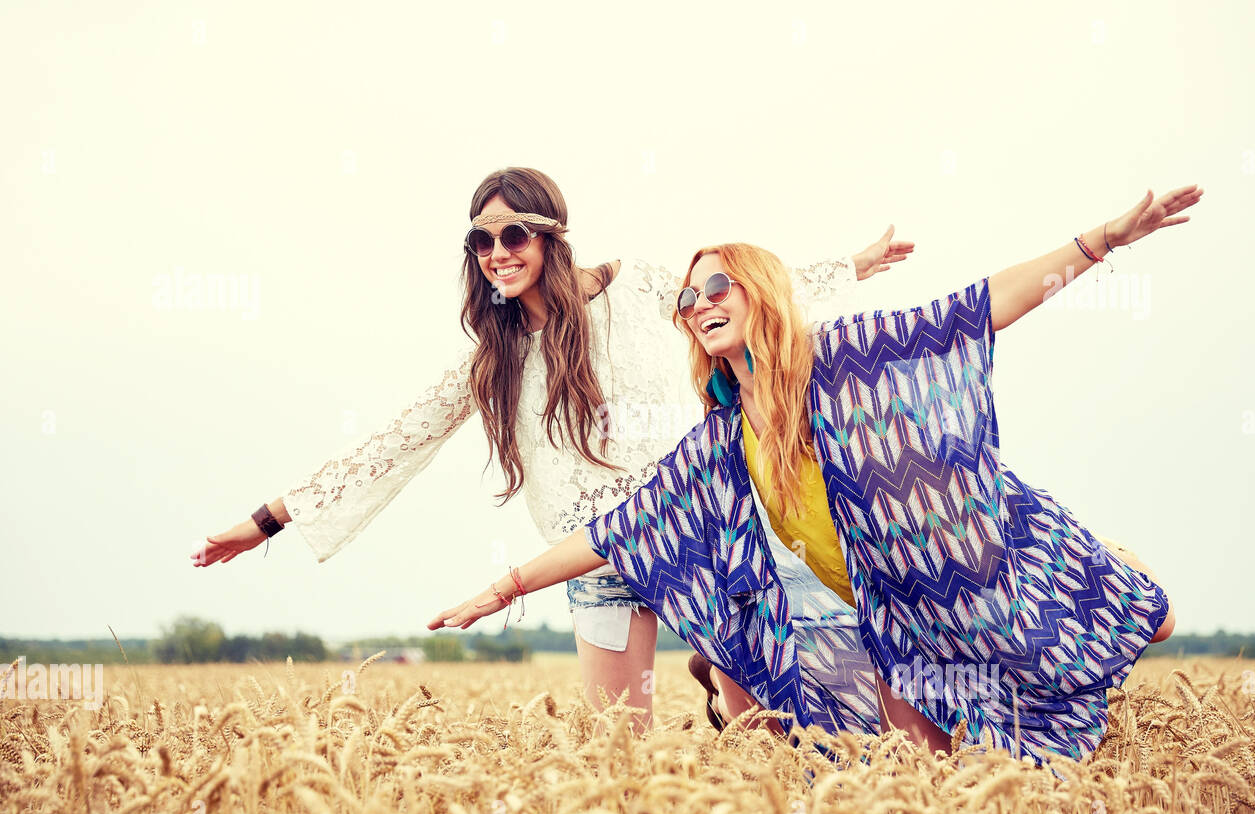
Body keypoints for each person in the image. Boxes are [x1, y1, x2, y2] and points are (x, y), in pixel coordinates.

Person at [428, 185, 1201, 766]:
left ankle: (1114, 562)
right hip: (899, 620)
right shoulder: (724, 438)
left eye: (718, 287)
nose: (698, 304)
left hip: (987, 553)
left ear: (762, 294)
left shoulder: (841, 357)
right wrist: (506, 588)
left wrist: (1103, 240)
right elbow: (619, 531)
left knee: (1145, 622)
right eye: (687, 297)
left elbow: (974, 310)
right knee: (927, 777)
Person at [190, 166, 912, 733]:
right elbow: (397, 441)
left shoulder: (638, 290)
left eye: (513, 235)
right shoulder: (491, 360)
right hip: (591, 556)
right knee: (615, 755)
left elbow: (747, 294)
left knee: (765, 736)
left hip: (696, 534)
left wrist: (853, 265)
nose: (497, 253)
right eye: (481, 241)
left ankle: (727, 700)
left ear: (550, 236)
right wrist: (266, 520)